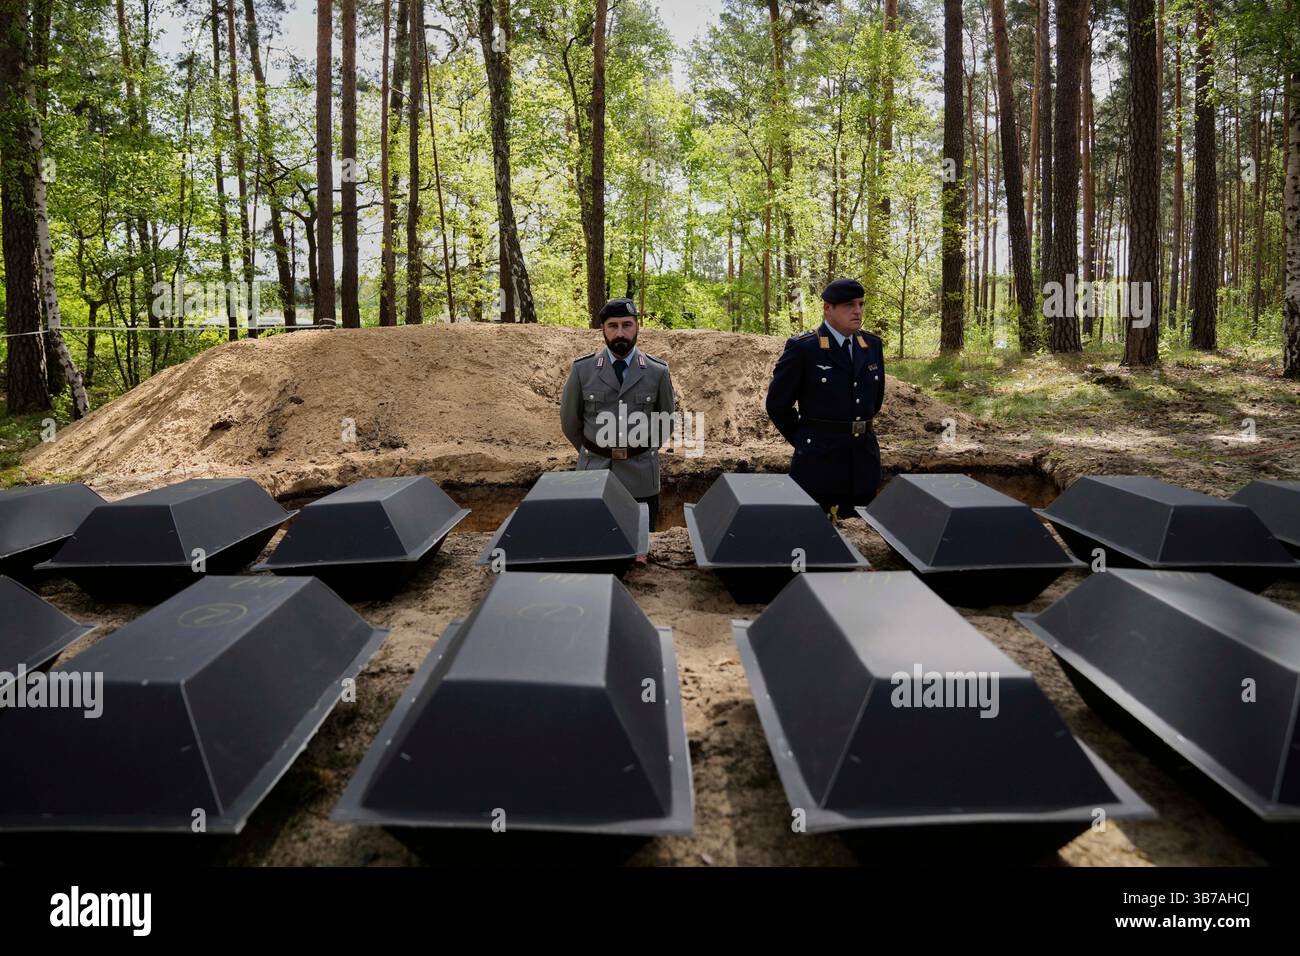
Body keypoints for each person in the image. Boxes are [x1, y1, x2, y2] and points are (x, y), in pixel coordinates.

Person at [764, 278, 885, 519]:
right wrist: (806, 440)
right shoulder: (804, 348)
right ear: (828, 309)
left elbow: (875, 399)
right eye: (849, 305)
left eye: (861, 304)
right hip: (819, 464)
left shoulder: (871, 345)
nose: (858, 311)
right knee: (817, 538)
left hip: (863, 462)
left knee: (862, 536)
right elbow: (777, 405)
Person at [560, 298, 675, 530]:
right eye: (613, 326)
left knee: (640, 548)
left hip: (641, 477)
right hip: (593, 474)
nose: (620, 332)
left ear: (637, 327)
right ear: (602, 329)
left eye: (627, 324)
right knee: (592, 546)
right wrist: (596, 452)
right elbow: (570, 422)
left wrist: (640, 451)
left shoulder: (657, 371)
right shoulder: (583, 370)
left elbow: (665, 422)